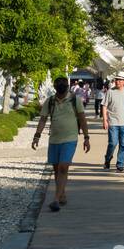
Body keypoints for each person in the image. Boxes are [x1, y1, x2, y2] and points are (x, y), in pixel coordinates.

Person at [32, 76, 91, 212]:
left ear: (67, 87)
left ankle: (56, 200)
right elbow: (43, 119)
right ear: (55, 87)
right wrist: (37, 136)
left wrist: (86, 137)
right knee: (57, 169)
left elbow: (82, 119)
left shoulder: (74, 100)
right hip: (54, 139)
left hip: (70, 138)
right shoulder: (50, 101)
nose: (61, 88)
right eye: (59, 85)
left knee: (64, 167)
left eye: (63, 85)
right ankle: (62, 193)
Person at [102, 72, 124, 173]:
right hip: (113, 122)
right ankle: (107, 158)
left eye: (120, 80)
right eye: (116, 79)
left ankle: (120, 165)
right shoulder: (110, 92)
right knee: (113, 143)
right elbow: (104, 106)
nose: (118, 81)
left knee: (123, 145)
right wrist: (105, 120)